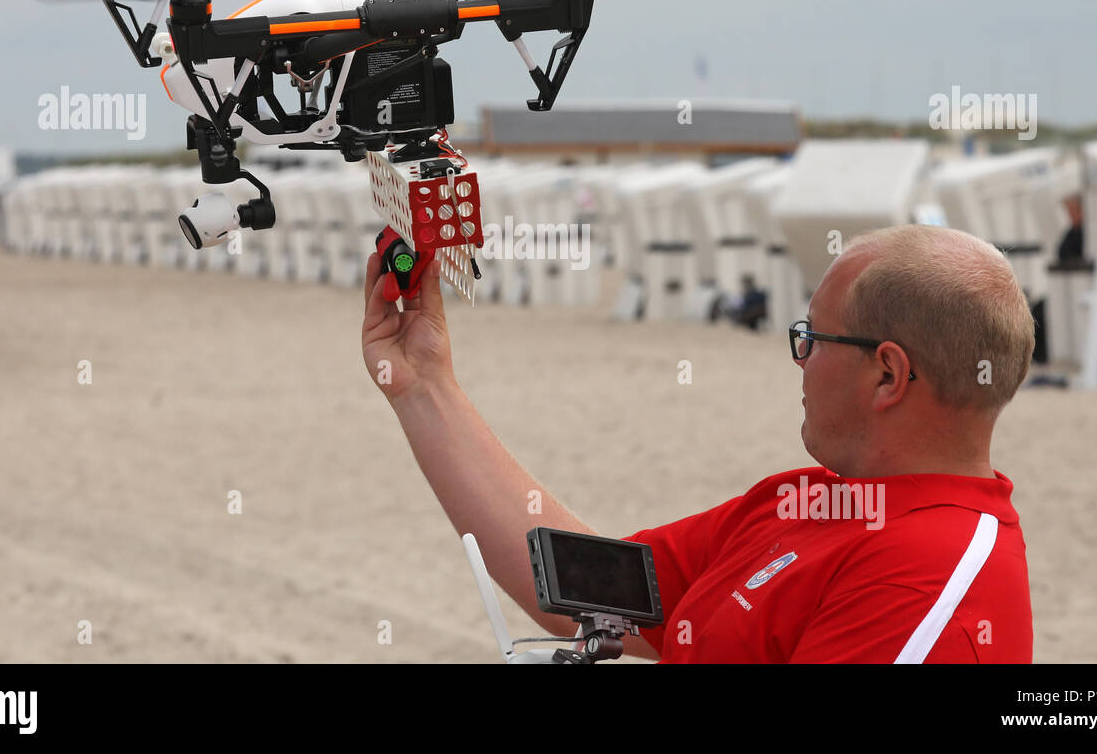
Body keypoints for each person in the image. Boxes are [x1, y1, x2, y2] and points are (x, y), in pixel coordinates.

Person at [361, 224, 1035, 663]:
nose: (800, 359)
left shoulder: (935, 573)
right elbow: (582, 591)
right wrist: (423, 382)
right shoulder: (804, 501)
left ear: (887, 373)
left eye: (813, 338)